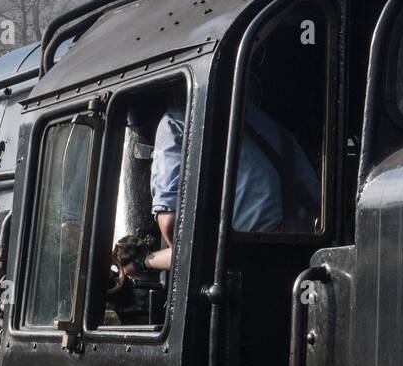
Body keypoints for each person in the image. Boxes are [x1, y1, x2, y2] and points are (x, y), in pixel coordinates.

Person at [119, 100, 321, 277]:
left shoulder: (176, 122)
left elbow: (173, 226)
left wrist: (143, 262)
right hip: (309, 258)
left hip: (251, 268)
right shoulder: (272, 125)